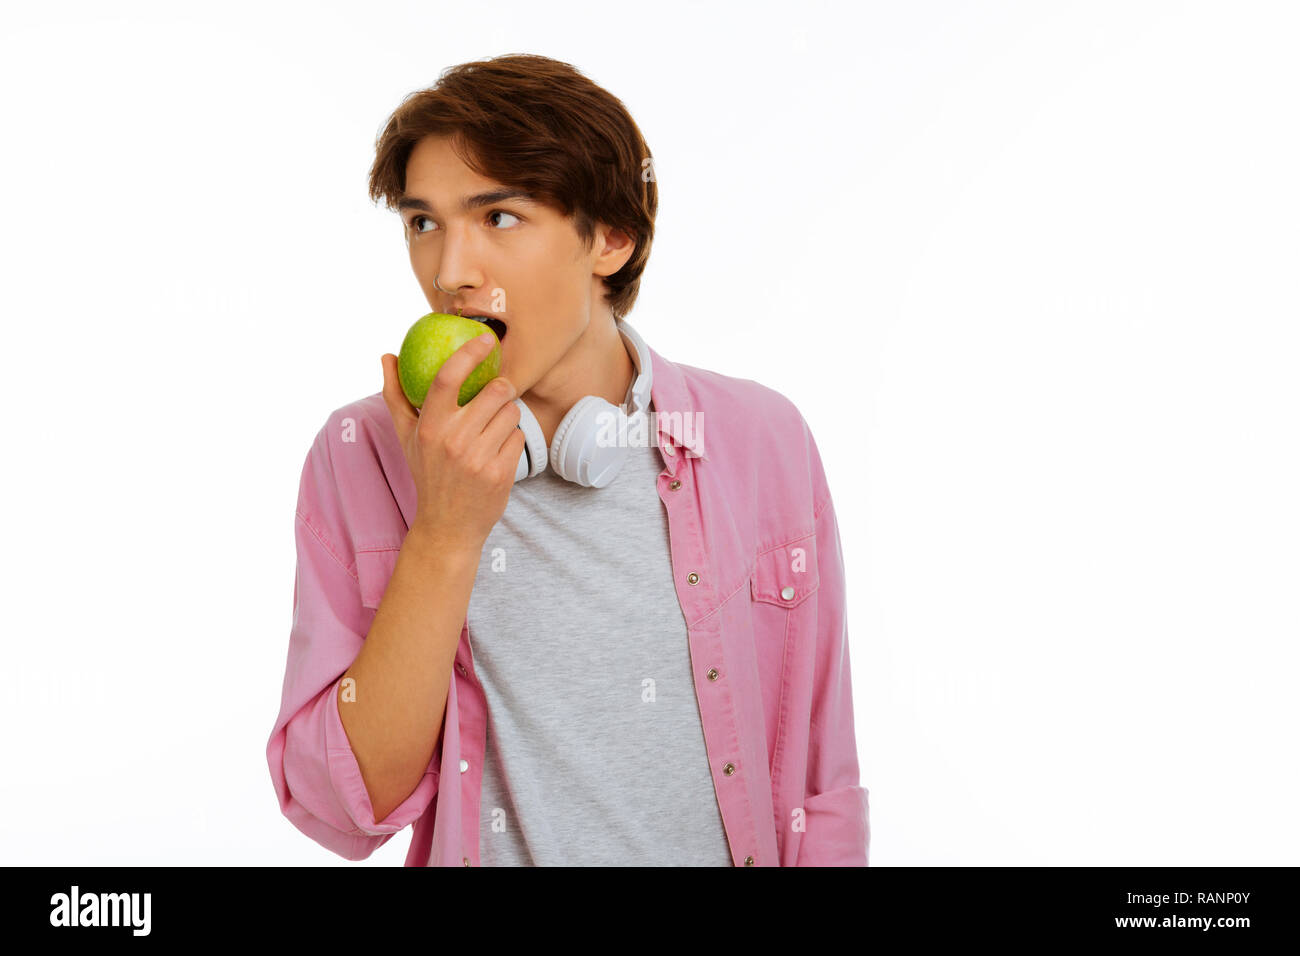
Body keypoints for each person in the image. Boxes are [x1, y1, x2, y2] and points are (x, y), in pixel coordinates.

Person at [265, 53, 869, 866]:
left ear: (610, 239)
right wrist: (444, 534)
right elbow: (340, 810)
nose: (450, 273)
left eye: (500, 218)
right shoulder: (364, 456)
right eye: (423, 223)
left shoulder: (763, 439)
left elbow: (821, 789)